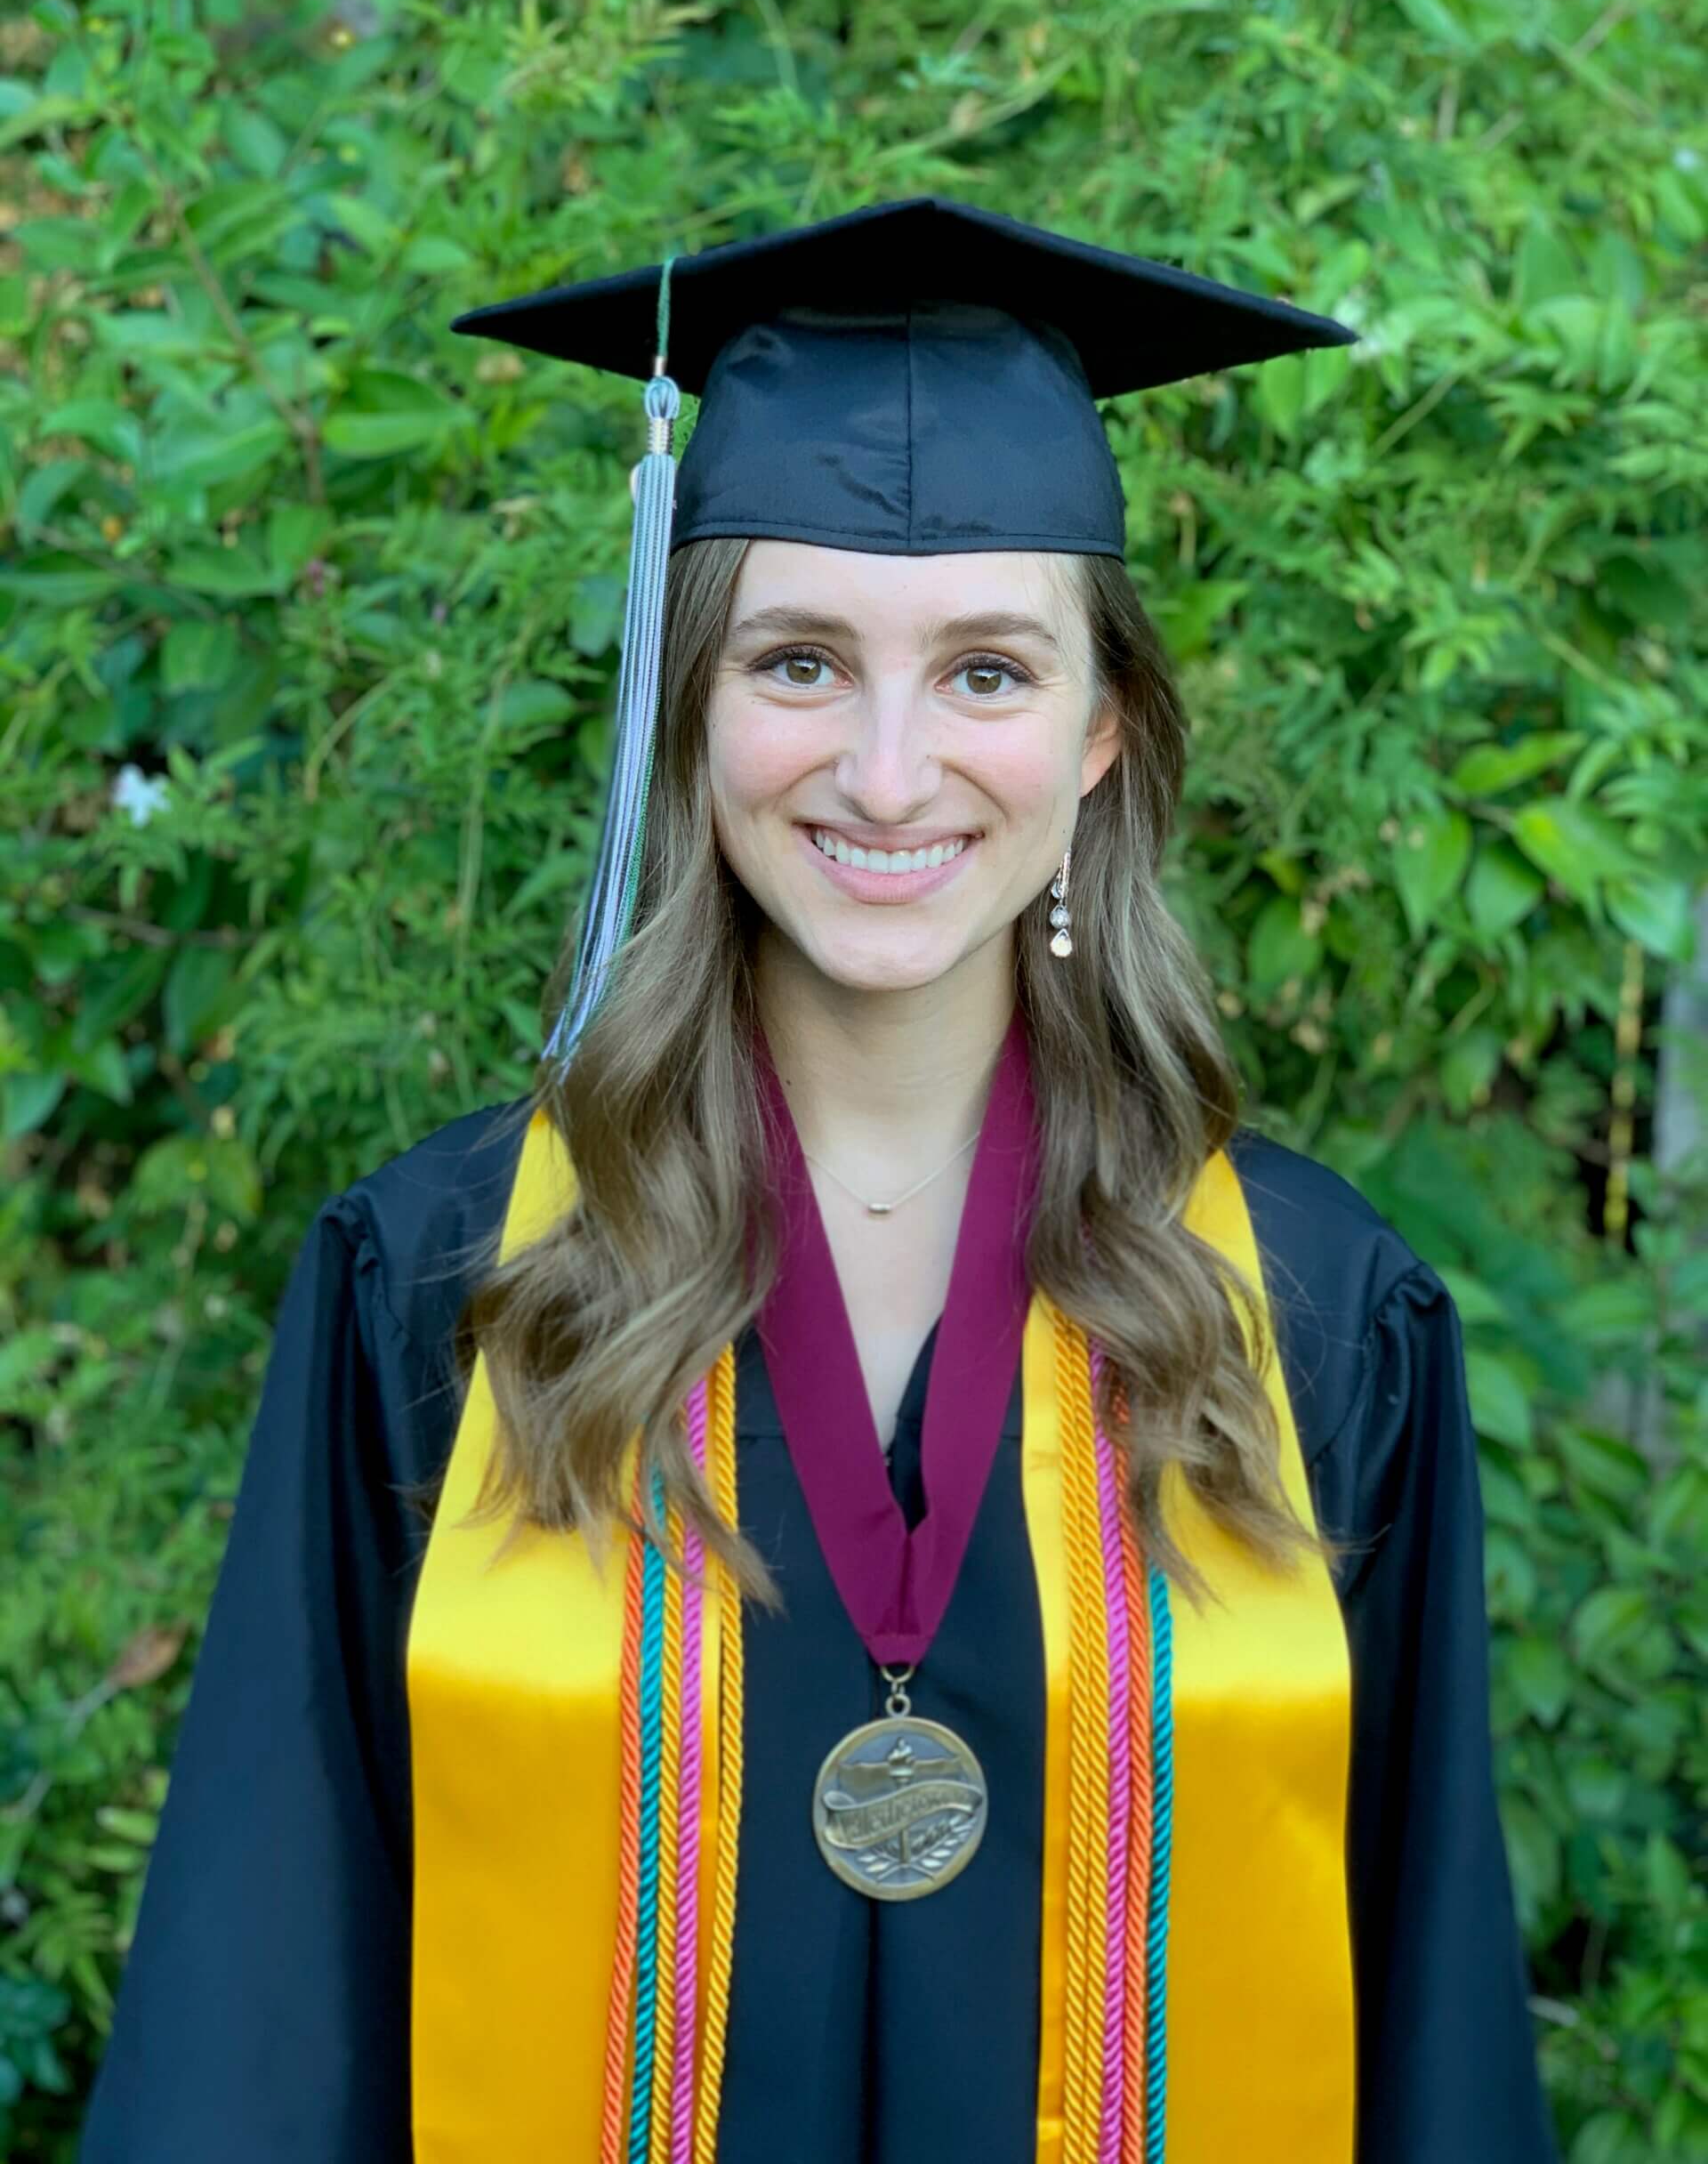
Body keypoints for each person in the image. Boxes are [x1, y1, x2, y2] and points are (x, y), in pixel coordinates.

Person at [79, 198, 1559, 2163]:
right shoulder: (442, 1287)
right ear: (686, 711)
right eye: (797, 659)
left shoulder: (1312, 1311)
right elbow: (263, 2026)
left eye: (983, 672)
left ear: (1103, 731)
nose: (882, 770)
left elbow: (1429, 2014)